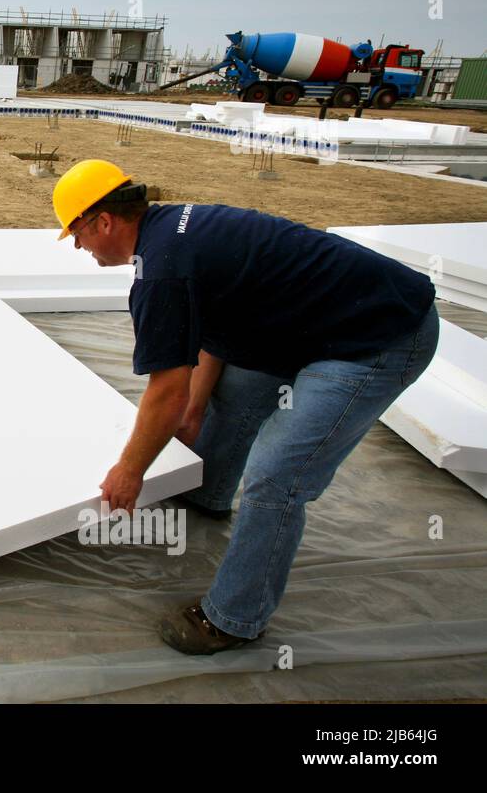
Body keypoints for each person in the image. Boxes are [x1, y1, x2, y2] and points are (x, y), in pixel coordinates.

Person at [52, 159, 438, 655]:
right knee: (233, 394)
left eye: (77, 234)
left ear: (103, 221)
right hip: (312, 324)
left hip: (376, 337)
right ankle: (207, 493)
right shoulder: (174, 232)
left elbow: (165, 391)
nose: (80, 246)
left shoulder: (162, 270)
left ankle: (234, 618)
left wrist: (130, 469)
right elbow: (214, 333)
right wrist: (192, 413)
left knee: (277, 475)